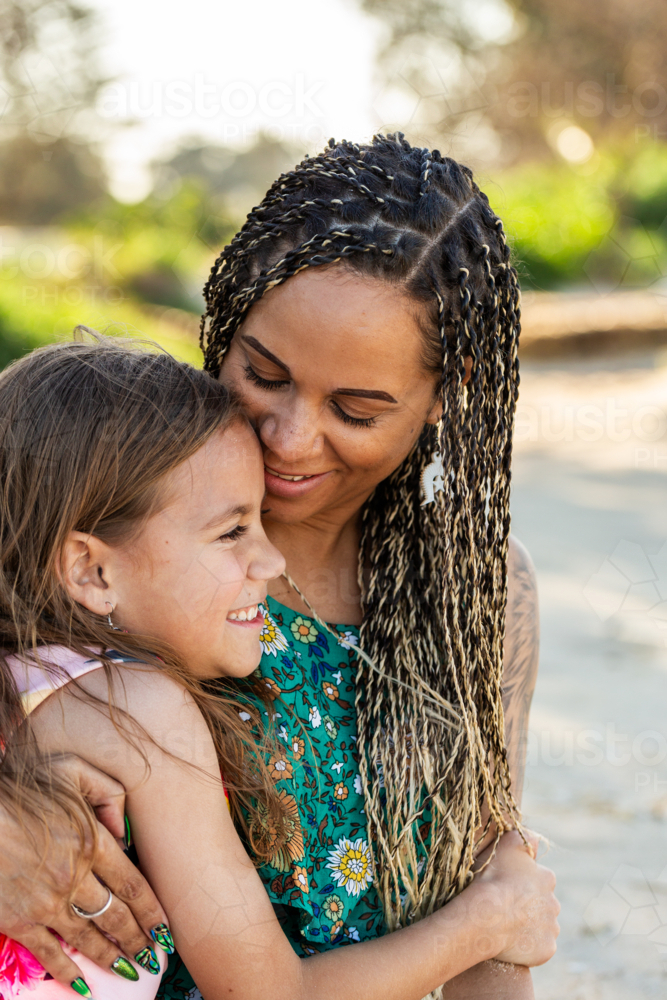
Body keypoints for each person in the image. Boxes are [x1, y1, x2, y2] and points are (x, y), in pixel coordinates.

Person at [0, 134, 558, 999]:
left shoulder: (479, 595)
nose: (289, 440)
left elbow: (492, 896)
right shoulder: (114, 510)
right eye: (264, 374)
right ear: (226, 319)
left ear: (447, 393)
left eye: (357, 408)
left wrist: (499, 928)